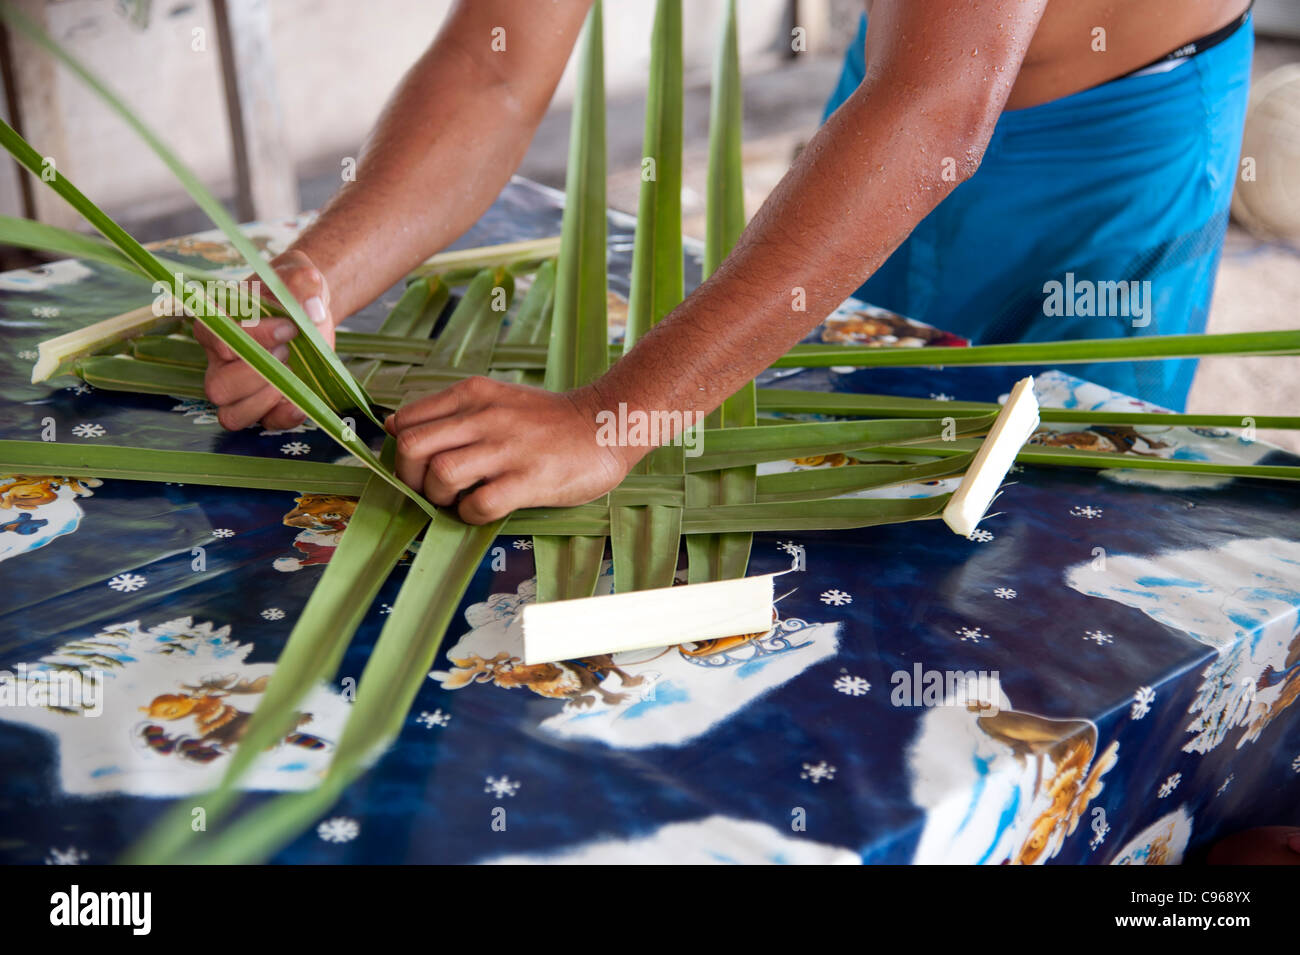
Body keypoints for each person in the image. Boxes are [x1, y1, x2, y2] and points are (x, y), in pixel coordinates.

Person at [194, 0, 1254, 525]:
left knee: (1050, 517)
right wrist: (321, 269)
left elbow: (935, 124)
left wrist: (616, 417)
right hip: (912, 75)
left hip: (1110, 130)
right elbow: (492, 69)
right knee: (867, 429)